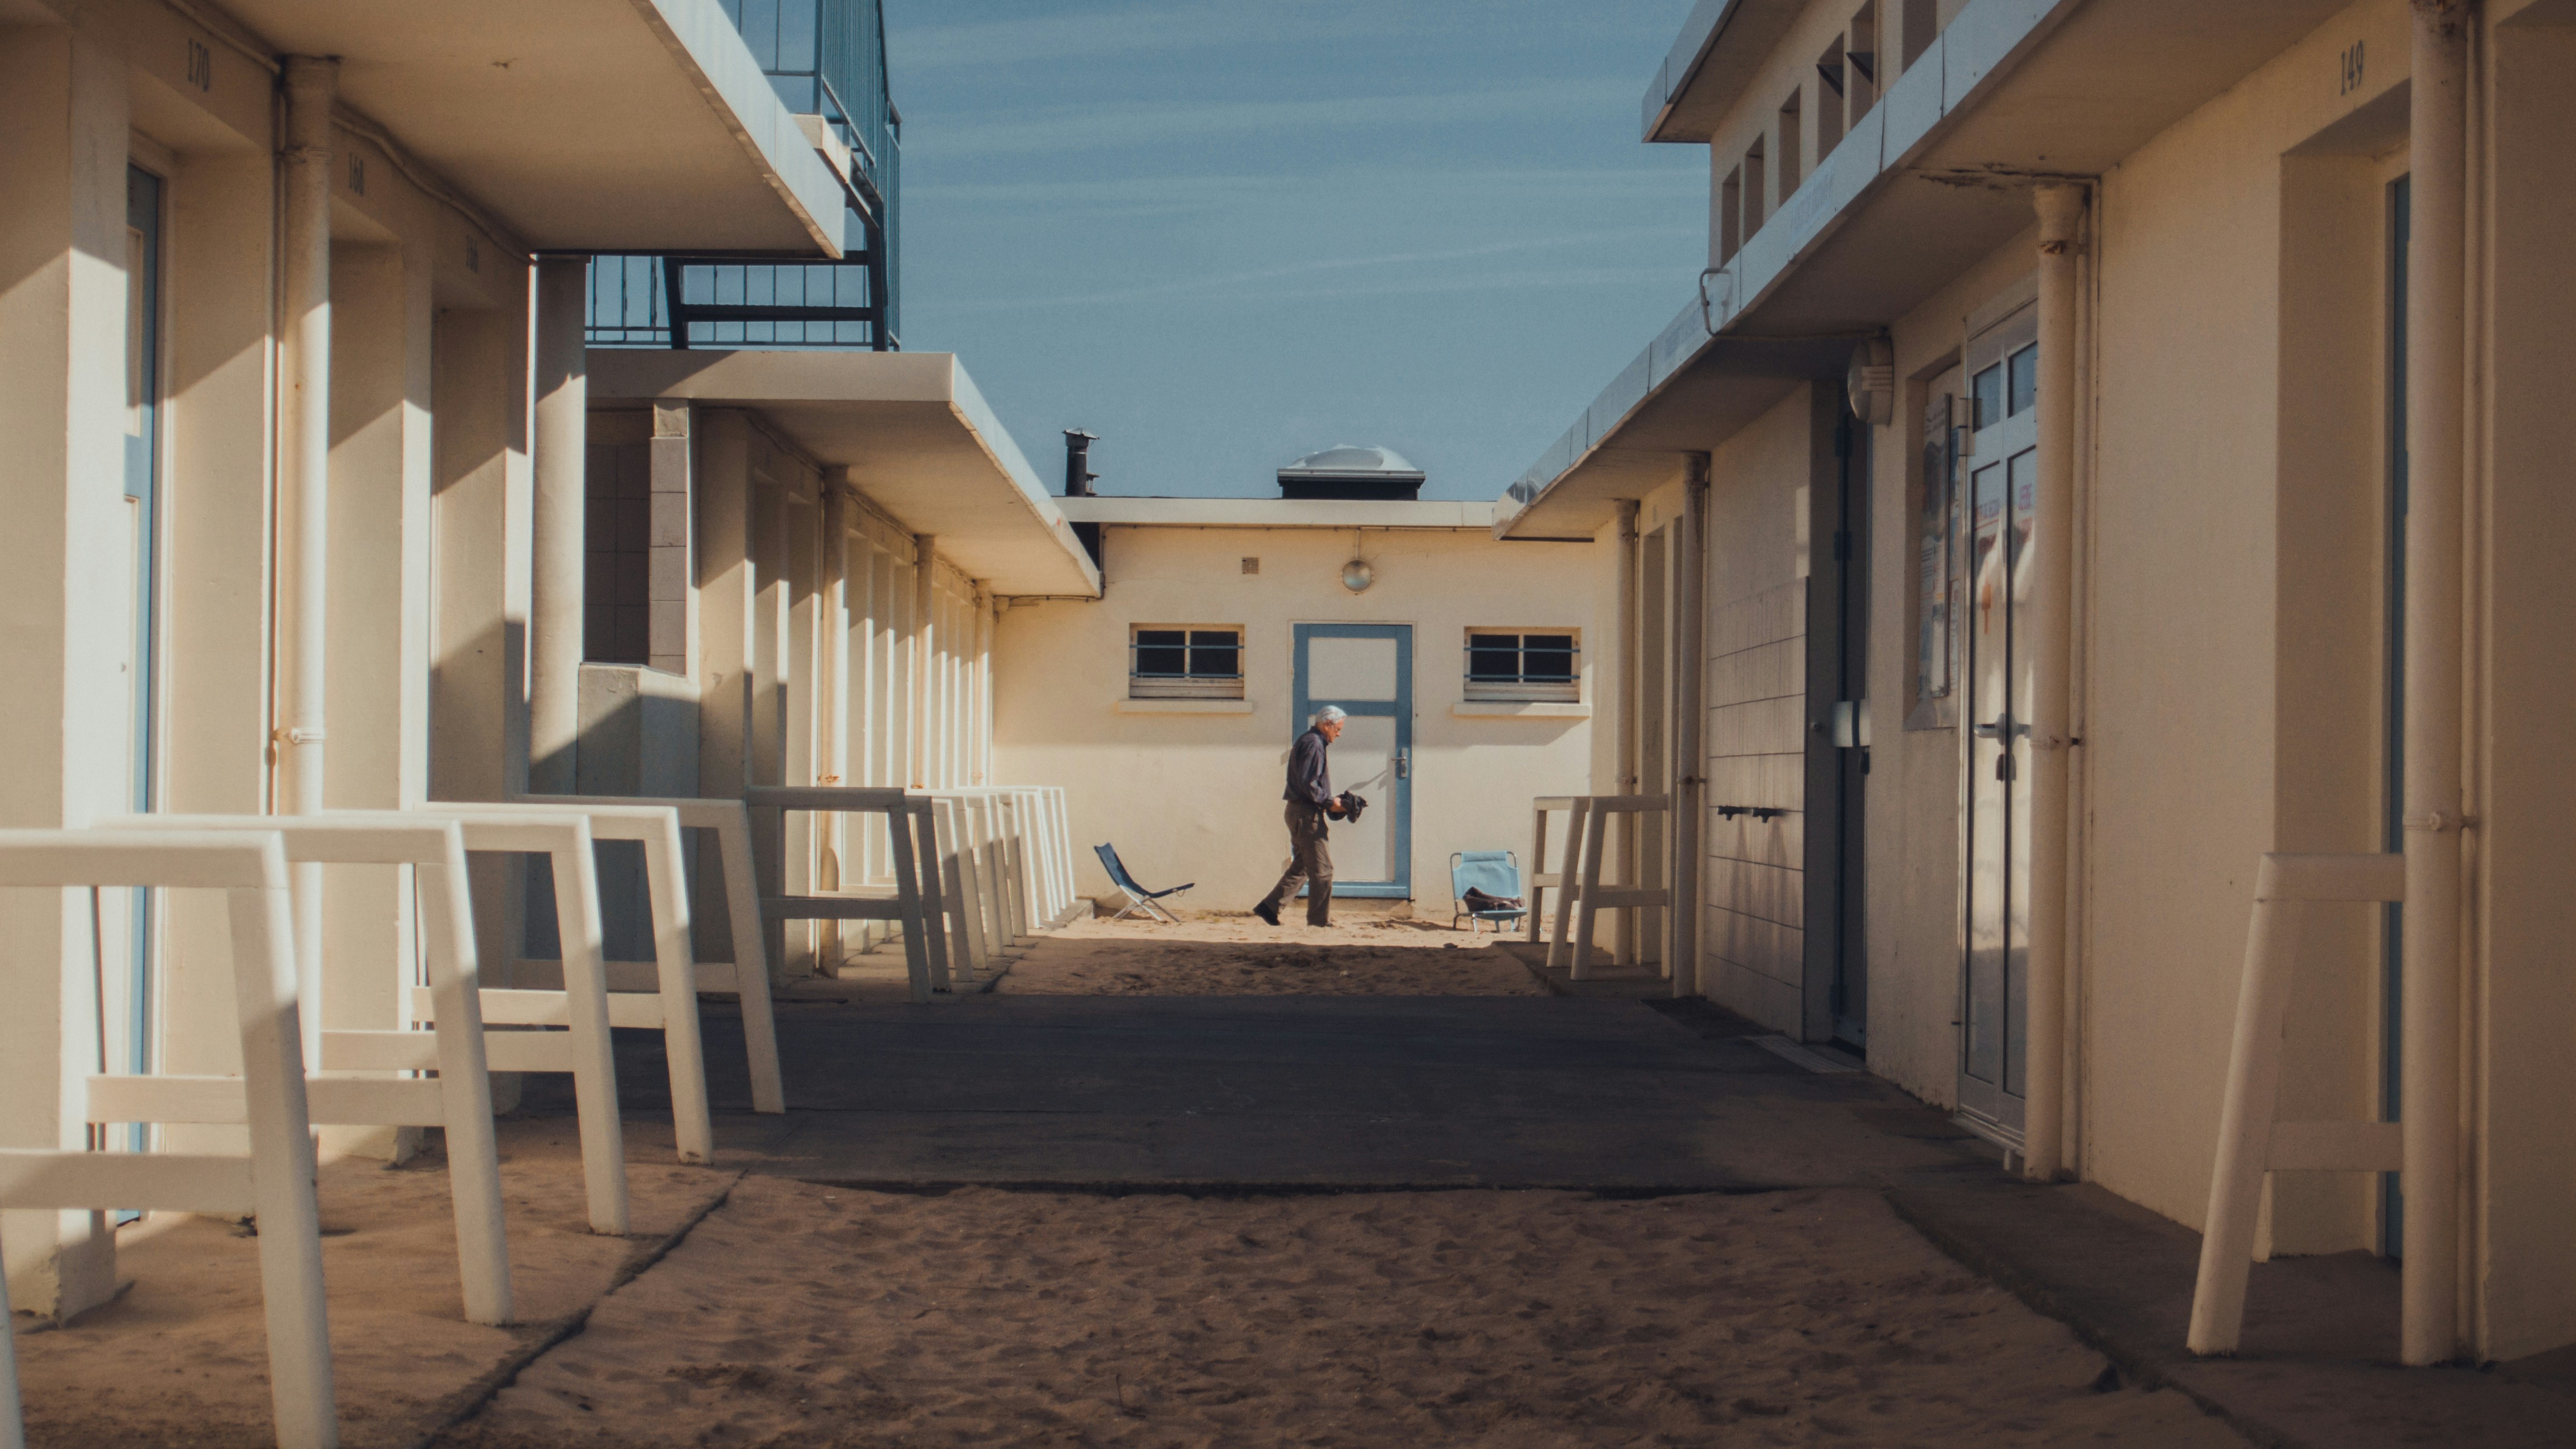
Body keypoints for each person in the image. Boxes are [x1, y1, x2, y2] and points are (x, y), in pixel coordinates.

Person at [1253, 706, 1348, 926]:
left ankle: (1269, 907)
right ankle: (1319, 923)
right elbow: (1309, 784)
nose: (1339, 734)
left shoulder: (1310, 741)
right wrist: (1331, 802)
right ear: (1327, 724)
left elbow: (1309, 783)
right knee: (1323, 871)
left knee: (1304, 865)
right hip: (1306, 815)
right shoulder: (1314, 744)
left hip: (1298, 812)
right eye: (1338, 729)